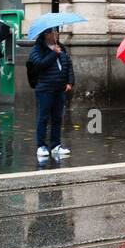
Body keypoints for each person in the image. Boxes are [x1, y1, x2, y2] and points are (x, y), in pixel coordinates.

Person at [28, 28, 73, 160]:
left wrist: (70, 81)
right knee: (43, 117)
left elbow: (68, 65)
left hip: (59, 88)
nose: (57, 34)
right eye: (54, 32)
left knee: (57, 118)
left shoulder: (61, 48)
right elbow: (39, 65)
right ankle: (41, 145)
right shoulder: (37, 50)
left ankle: (56, 145)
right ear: (46, 35)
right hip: (45, 89)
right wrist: (54, 53)